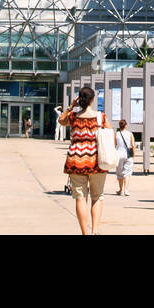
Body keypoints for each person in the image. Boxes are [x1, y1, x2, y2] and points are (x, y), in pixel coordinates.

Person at [59, 85, 109, 235]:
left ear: (79, 99)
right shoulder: (101, 117)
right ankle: (94, 230)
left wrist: (71, 106)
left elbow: (61, 120)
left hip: (76, 161)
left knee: (80, 198)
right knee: (97, 196)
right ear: (93, 100)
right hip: (96, 160)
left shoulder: (73, 117)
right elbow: (110, 133)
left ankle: (84, 233)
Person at [114, 119, 135, 196]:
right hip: (128, 155)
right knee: (127, 172)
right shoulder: (130, 134)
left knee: (119, 173)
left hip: (119, 155)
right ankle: (126, 189)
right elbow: (133, 145)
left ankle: (120, 190)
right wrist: (133, 155)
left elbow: (114, 145)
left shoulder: (116, 134)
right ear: (126, 126)